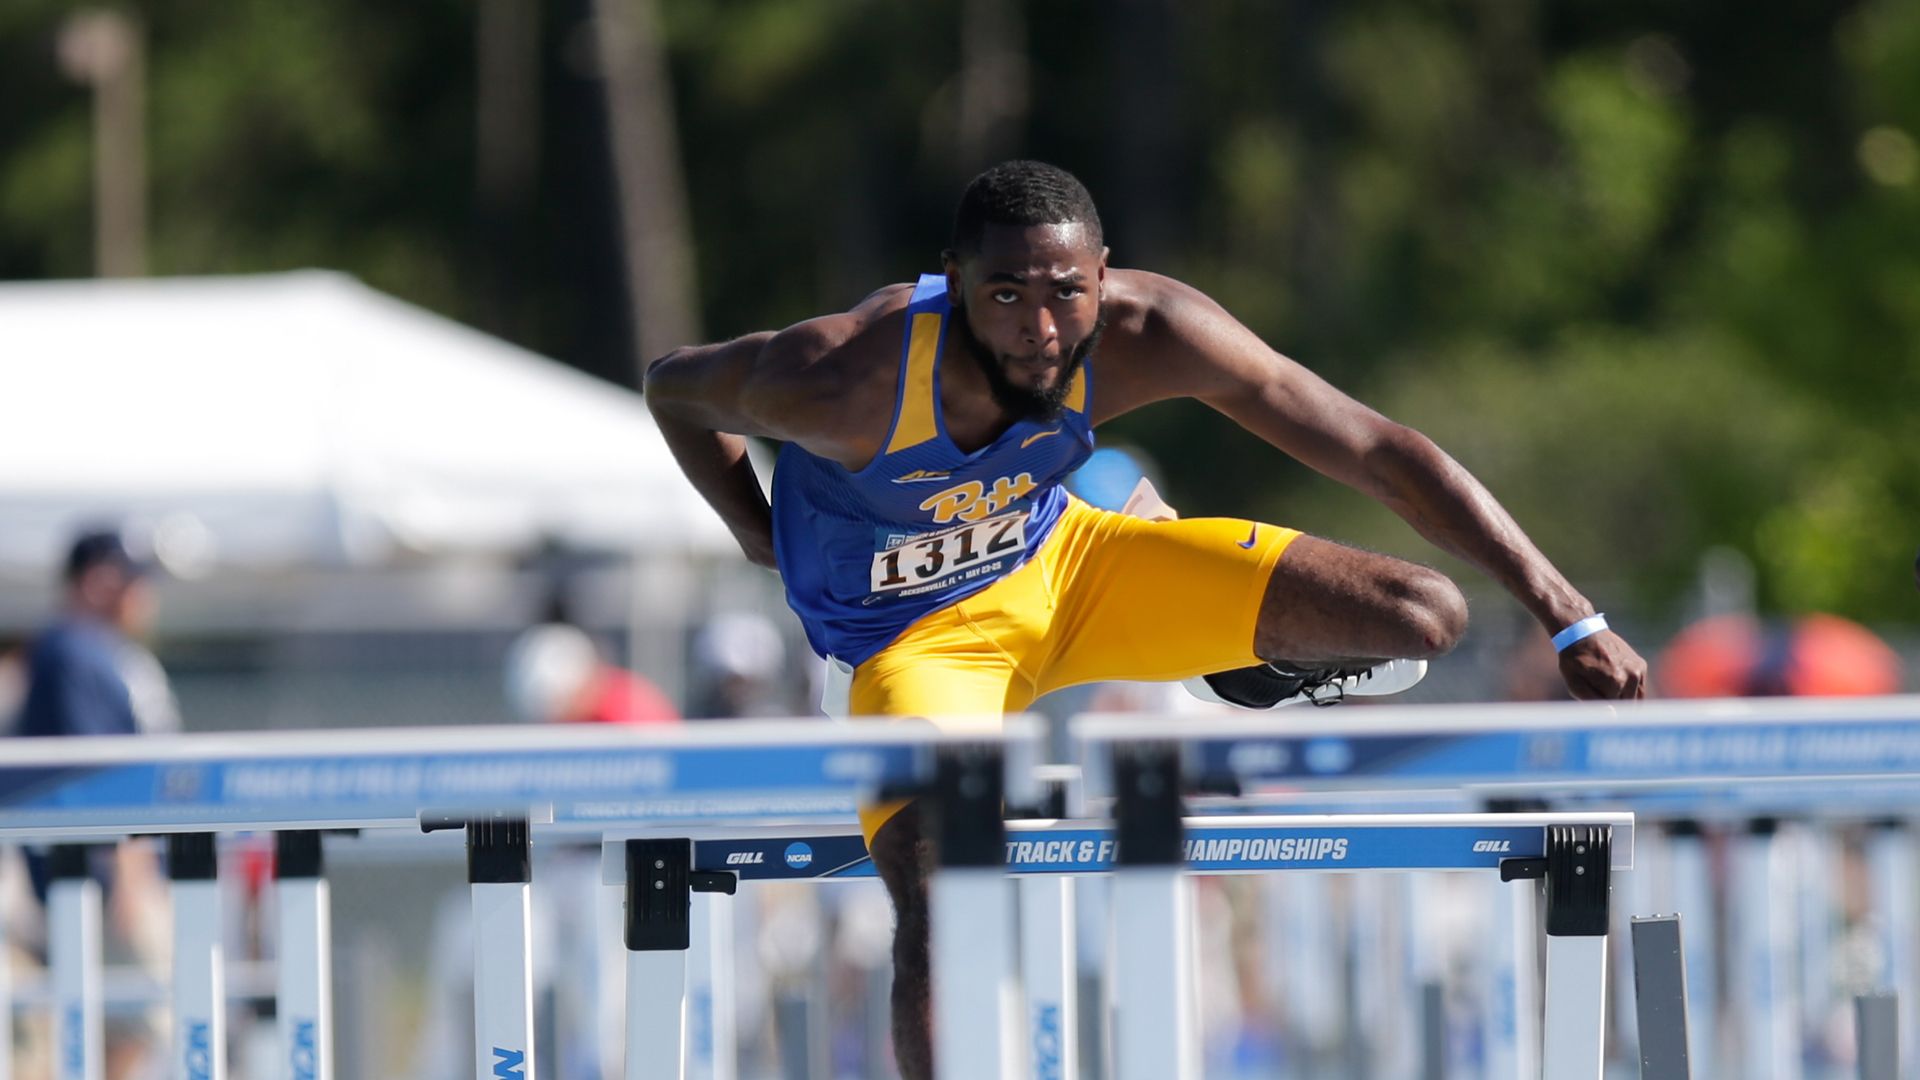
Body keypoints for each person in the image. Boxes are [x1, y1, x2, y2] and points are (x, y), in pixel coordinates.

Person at [644, 160, 1649, 1078]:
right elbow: (673, 390)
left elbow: (1373, 447)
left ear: (1103, 277)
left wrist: (1567, 616)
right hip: (913, 645)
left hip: (1069, 568)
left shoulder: (1145, 332)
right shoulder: (843, 376)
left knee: (1424, 614)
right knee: (941, 881)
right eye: (1005, 297)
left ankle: (1234, 670)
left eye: (1065, 296)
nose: (1040, 332)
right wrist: (761, 536)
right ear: (951, 280)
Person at [16, 529, 178, 738]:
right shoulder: (71, 653)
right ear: (98, 581)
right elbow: (83, 759)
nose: (145, 594)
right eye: (133, 580)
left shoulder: (99, 649)